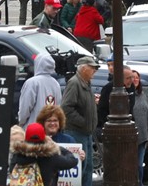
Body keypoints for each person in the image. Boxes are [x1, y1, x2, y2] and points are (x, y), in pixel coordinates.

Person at [62, 56, 99, 186]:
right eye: (92, 68)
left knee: (88, 167)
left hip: (86, 132)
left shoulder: (85, 82)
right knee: (80, 168)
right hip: (76, 132)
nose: (95, 70)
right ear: (83, 68)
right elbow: (66, 108)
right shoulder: (74, 83)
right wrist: (83, 122)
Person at [8, 122, 78, 186]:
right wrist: (56, 146)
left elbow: (12, 171)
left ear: (26, 137)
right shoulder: (51, 156)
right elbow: (73, 161)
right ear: (44, 137)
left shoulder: (18, 154)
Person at [18, 54, 62, 128]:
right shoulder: (56, 83)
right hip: (49, 130)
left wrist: (21, 122)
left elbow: (25, 108)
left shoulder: (32, 82)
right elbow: (58, 107)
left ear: (38, 64)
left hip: (33, 129)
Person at [129, 68, 148, 184]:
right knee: (131, 165)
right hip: (129, 137)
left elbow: (147, 114)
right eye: (132, 77)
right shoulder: (126, 95)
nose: (135, 80)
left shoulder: (142, 94)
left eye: (137, 77)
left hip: (142, 136)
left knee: (139, 165)